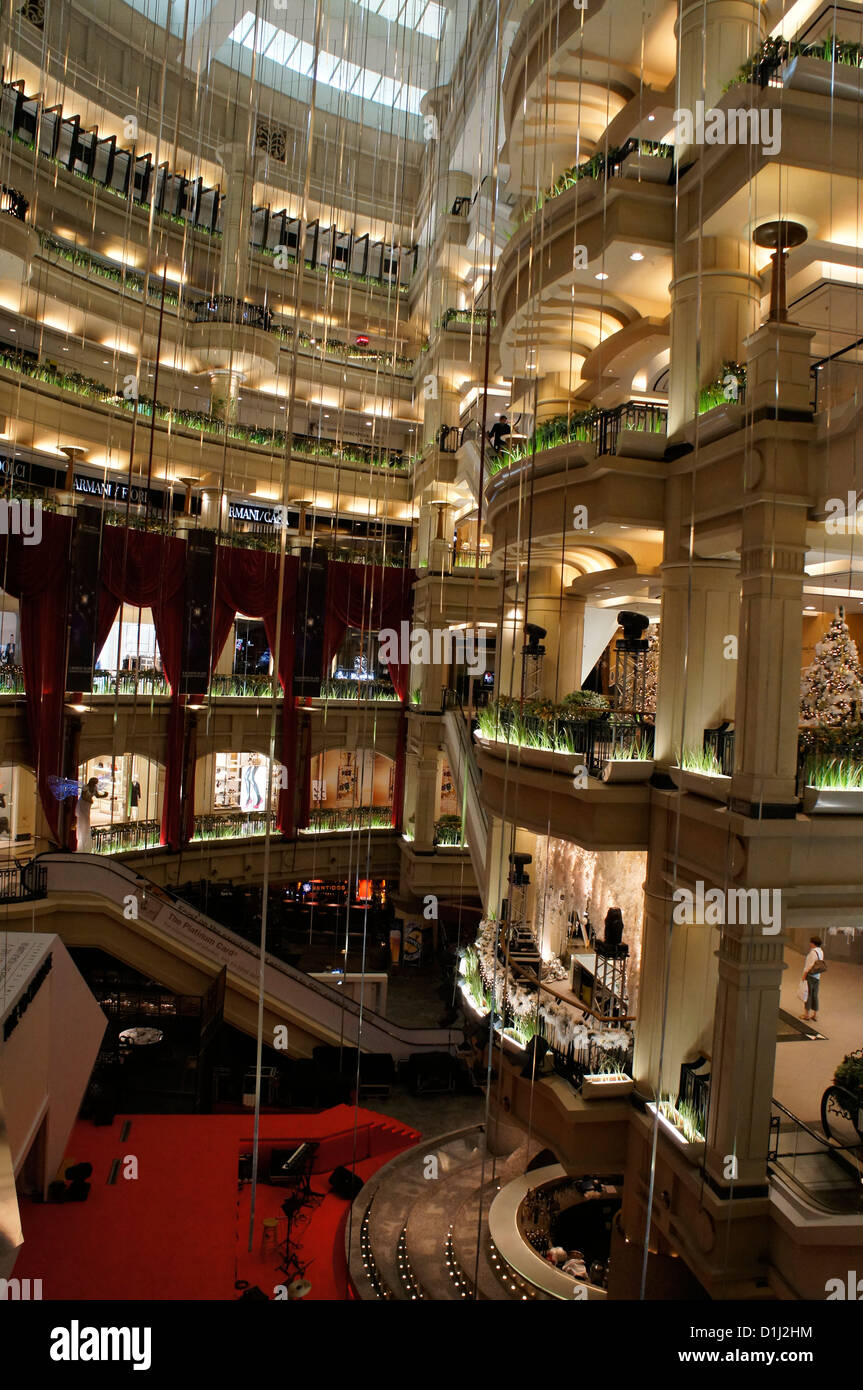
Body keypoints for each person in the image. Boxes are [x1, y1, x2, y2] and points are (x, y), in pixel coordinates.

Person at [76, 777, 106, 853]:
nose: (95, 784)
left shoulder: (94, 788)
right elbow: (83, 796)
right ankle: (81, 838)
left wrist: (104, 795)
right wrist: (89, 800)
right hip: (82, 805)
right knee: (83, 820)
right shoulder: (85, 787)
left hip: (88, 806)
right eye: (94, 783)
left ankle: (85, 836)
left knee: (87, 820)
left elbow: (97, 795)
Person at [801, 935, 825, 1022]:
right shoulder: (821, 952)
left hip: (810, 976)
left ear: (813, 943)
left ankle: (806, 1014)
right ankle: (815, 1014)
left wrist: (804, 975)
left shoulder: (812, 953)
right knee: (815, 995)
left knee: (808, 994)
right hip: (817, 976)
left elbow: (809, 965)